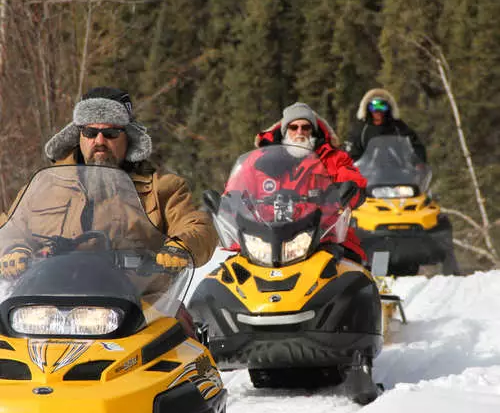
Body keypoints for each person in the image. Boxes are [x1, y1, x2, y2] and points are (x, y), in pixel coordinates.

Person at [0, 86, 217, 279]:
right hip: (47, 305)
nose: (100, 142)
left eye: (111, 133)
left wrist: (181, 247)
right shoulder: (43, 187)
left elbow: (197, 226)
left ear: (128, 138)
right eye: (90, 132)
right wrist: (14, 249)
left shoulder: (160, 189)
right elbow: (10, 227)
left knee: (178, 325)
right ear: (79, 136)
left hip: (138, 308)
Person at [227, 102, 368, 263]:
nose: (300, 132)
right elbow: (235, 189)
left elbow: (352, 180)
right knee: (228, 275)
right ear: (285, 131)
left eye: (306, 127)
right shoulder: (258, 160)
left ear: (313, 131)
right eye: (294, 127)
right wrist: (230, 201)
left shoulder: (333, 158)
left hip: (321, 236)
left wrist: (347, 190)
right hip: (263, 239)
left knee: (350, 270)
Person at [344, 88, 427, 163]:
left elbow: (415, 145)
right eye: (374, 107)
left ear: (388, 108)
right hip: (370, 176)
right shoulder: (361, 130)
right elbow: (351, 154)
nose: (378, 111)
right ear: (367, 109)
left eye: (382, 106)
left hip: (398, 174)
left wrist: (418, 162)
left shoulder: (398, 127)